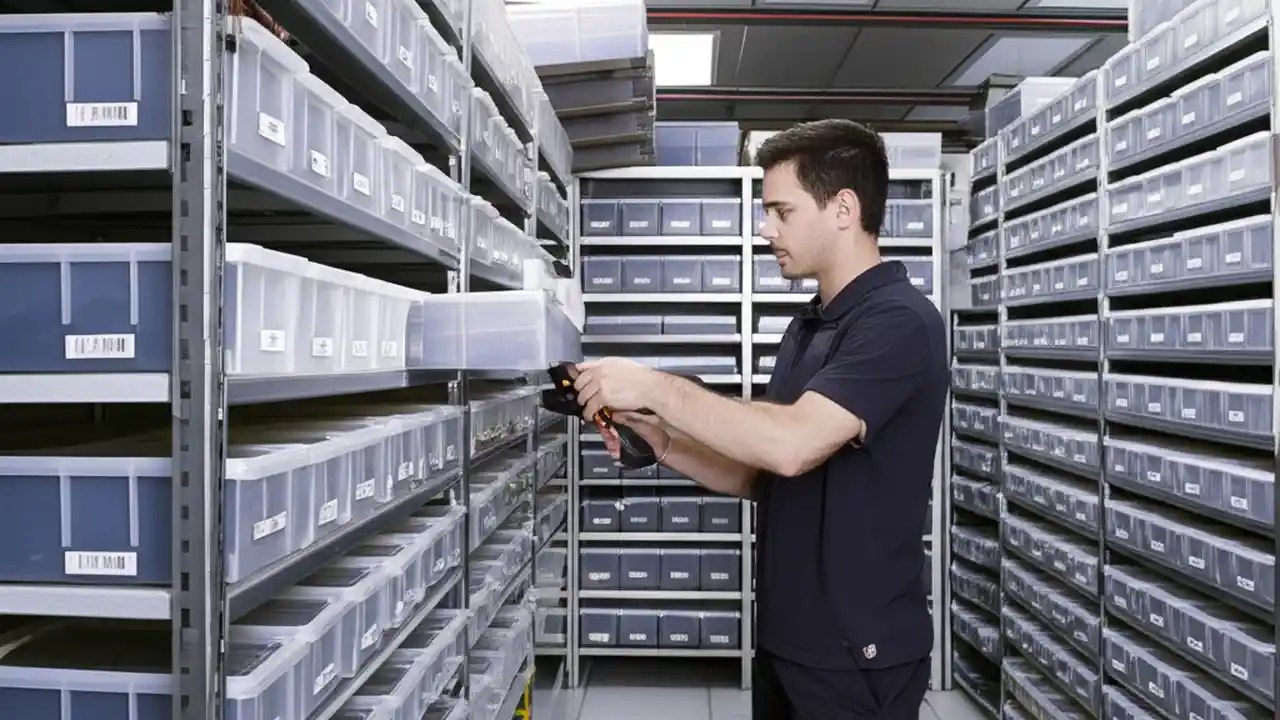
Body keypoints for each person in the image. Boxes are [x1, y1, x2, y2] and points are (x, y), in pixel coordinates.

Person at [572, 119, 948, 719]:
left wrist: (656, 386)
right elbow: (764, 475)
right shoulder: (811, 326)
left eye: (781, 211)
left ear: (843, 208)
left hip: (858, 654)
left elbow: (792, 445)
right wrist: (663, 439)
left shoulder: (899, 323)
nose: (765, 228)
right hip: (789, 639)